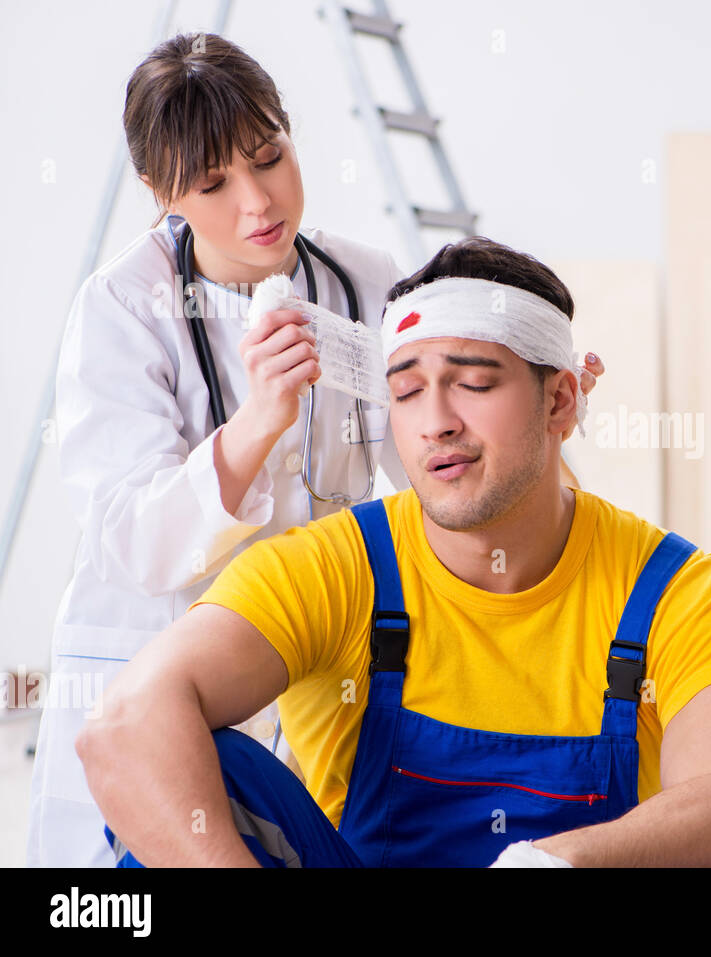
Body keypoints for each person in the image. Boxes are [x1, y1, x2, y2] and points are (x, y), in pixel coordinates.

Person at [27, 33, 603, 868]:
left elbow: (440, 465)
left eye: (270, 156)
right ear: (161, 194)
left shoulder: (364, 281)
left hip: (311, 656)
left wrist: (538, 419)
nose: (258, 201)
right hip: (159, 650)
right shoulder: (124, 306)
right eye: (214, 182)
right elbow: (134, 540)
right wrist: (259, 422)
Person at [77, 236, 711, 868]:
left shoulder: (680, 593)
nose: (435, 425)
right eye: (410, 391)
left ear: (560, 402)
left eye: (475, 383)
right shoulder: (337, 568)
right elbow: (122, 728)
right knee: (197, 768)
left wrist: (554, 859)